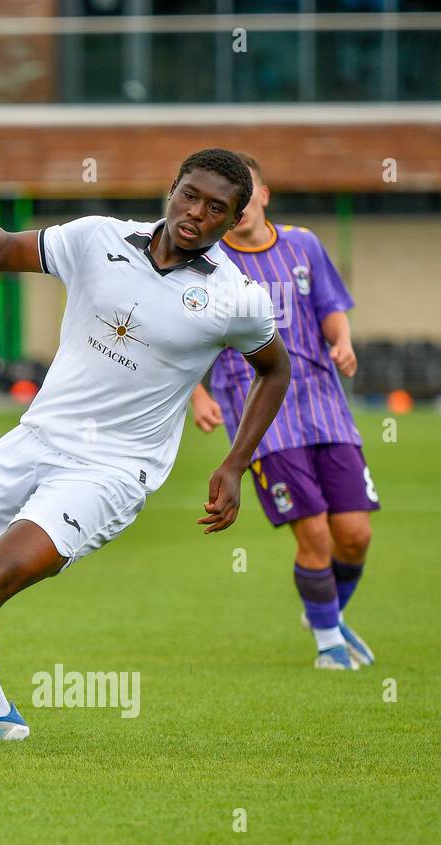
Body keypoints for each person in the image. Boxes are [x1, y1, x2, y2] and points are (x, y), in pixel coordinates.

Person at [0, 148, 291, 752]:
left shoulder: (235, 297)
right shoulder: (97, 237)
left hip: (113, 472)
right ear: (172, 189)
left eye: (217, 209)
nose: (197, 213)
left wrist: (234, 462)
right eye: (190, 195)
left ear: (234, 220)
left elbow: (274, 371)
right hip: (37, 437)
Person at [189, 153, 376, 670]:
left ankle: (326, 614)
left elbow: (332, 308)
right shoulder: (207, 262)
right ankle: (328, 648)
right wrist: (196, 393)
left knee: (355, 535)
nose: (241, 206)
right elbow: (183, 335)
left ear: (263, 197)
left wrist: (343, 343)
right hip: (262, 417)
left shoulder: (304, 245)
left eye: (247, 194)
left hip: (325, 405)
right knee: (314, 534)